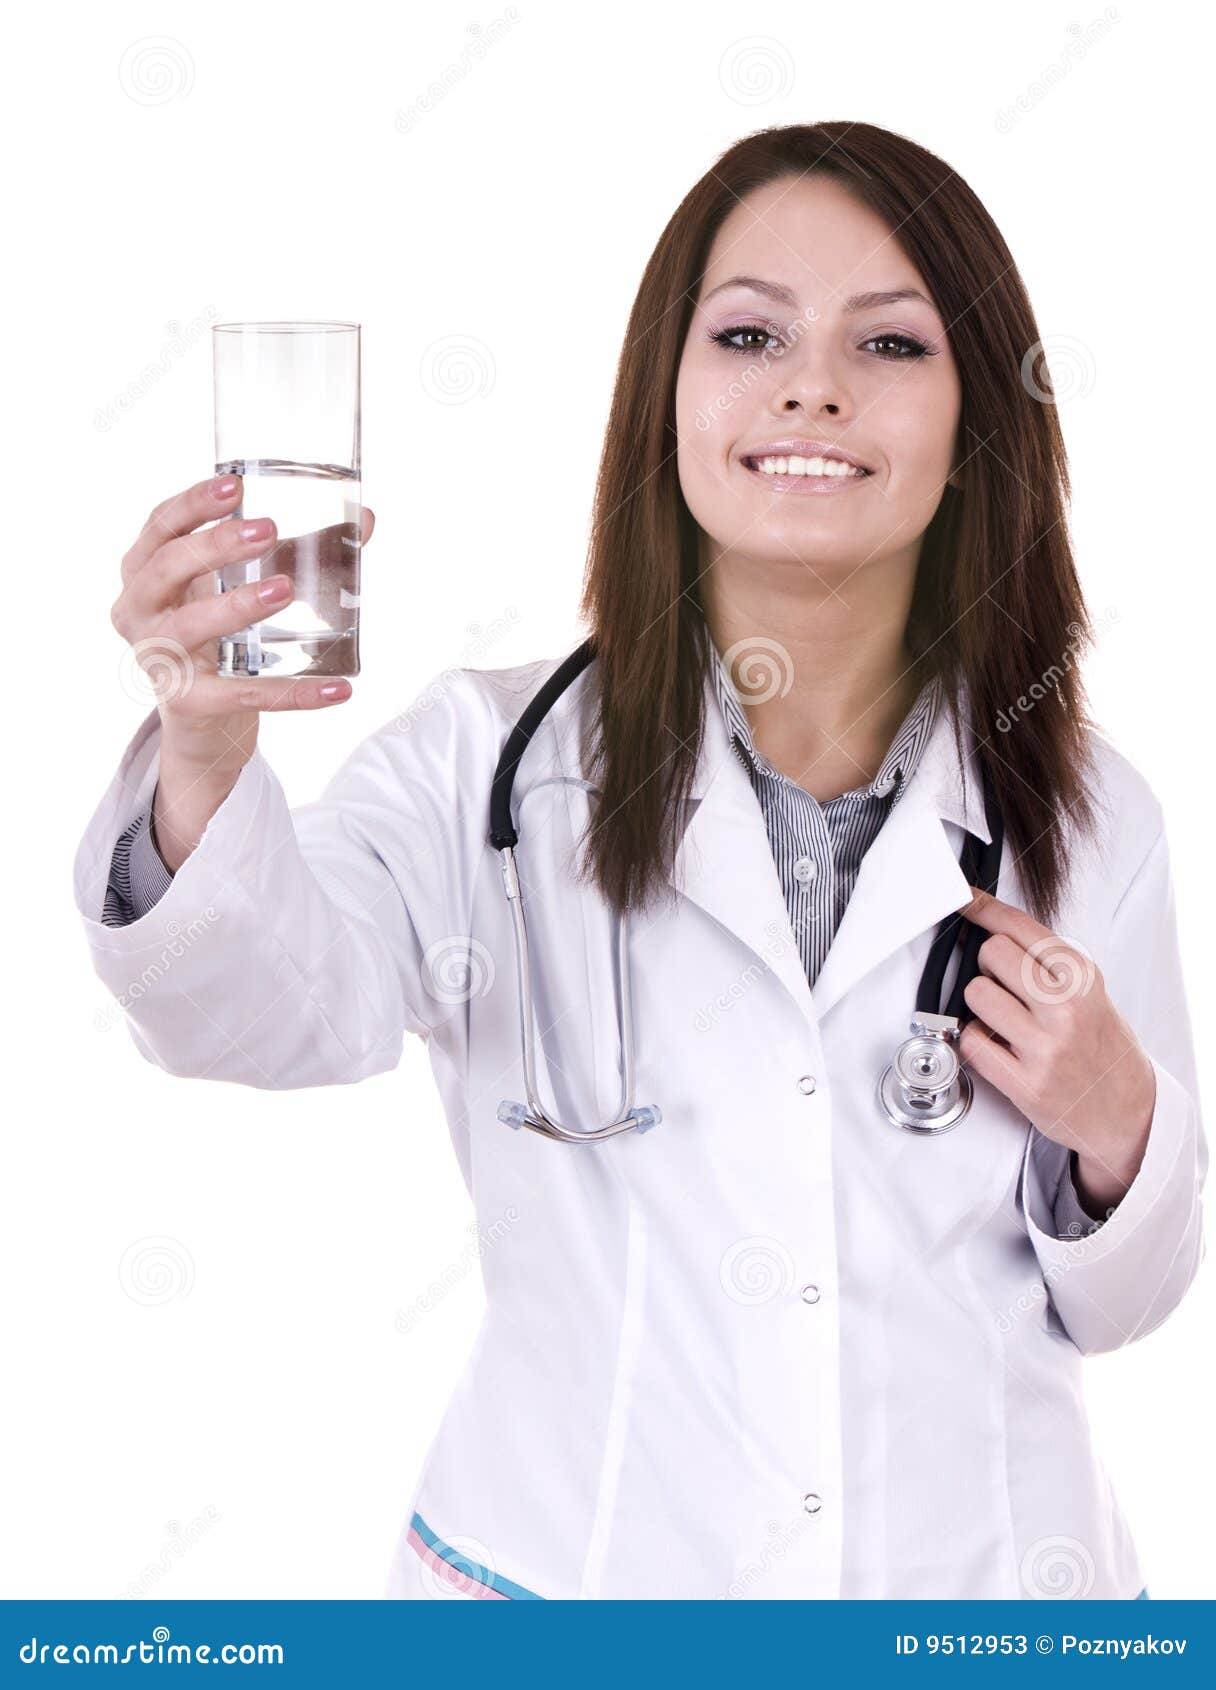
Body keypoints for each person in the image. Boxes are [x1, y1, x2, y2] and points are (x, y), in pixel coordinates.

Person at [74, 121, 1206, 1601]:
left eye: (892, 345)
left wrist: (1122, 1125)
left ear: (977, 420)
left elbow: (1125, 1299)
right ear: (664, 397)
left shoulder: (1087, 811)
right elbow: (259, 1008)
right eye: (750, 333)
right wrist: (206, 748)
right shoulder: (487, 767)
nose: (813, 385)